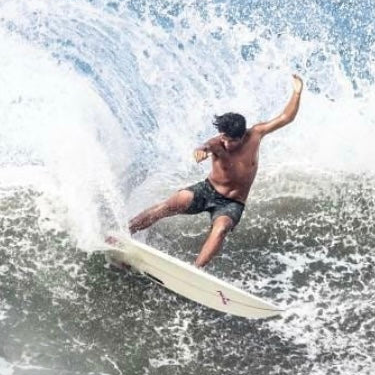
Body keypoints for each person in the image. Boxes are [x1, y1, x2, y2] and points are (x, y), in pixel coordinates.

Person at [128, 74, 304, 267]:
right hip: (207, 190)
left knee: (220, 230)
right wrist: (201, 151)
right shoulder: (217, 143)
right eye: (224, 138)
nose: (226, 144)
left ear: (242, 135)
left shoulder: (256, 135)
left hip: (232, 202)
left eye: (232, 140)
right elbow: (205, 146)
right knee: (169, 205)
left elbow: (286, 117)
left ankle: (195, 271)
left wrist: (296, 92)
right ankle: (127, 231)